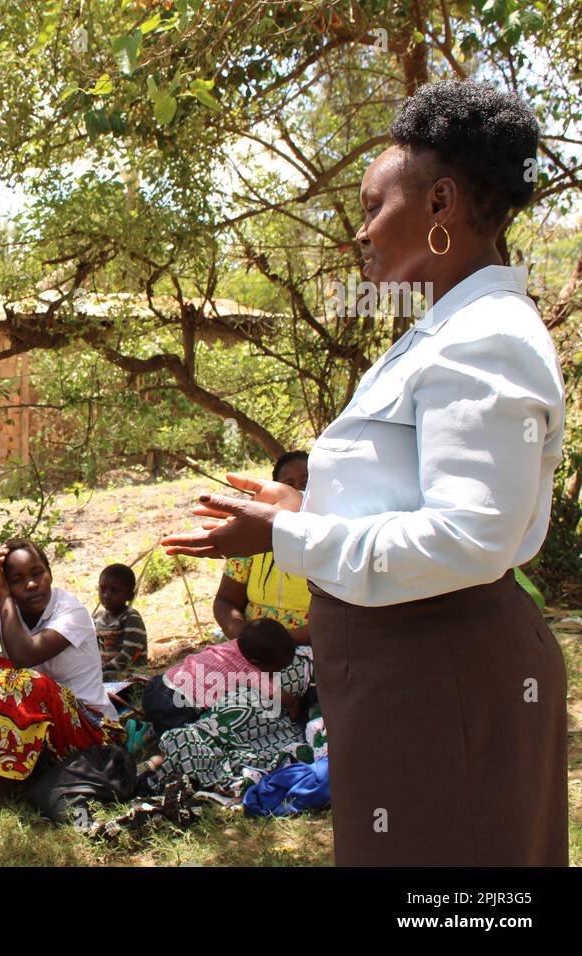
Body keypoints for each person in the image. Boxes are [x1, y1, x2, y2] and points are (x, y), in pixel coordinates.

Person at [162, 81, 567, 865]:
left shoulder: (485, 339)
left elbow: (469, 537)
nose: (360, 233)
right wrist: (310, 500)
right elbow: (415, 494)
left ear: (442, 202)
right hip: (405, 677)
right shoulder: (440, 331)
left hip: (443, 678)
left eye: (373, 207)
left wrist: (289, 534)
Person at [0, 539, 121, 840]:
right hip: (39, 726)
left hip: (90, 730)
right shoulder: (4, 608)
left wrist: (4, 596)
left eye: (37, 573)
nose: (31, 585)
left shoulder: (71, 611)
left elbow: (24, 655)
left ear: (50, 573)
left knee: (24, 679)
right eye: (16, 580)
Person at [213, 452, 313, 646]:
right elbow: (226, 601)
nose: (299, 492)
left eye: (306, 483)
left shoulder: (330, 543)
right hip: (251, 647)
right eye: (289, 485)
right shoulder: (252, 541)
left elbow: (338, 614)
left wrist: (280, 643)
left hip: (312, 650)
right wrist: (245, 636)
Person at [140, 617, 300, 737]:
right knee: (183, 737)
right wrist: (292, 704)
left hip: (158, 685)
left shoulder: (229, 646)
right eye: (274, 670)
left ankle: (145, 729)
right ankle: (157, 746)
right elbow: (274, 692)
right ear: (256, 662)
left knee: (161, 721)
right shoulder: (250, 669)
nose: (273, 675)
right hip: (178, 705)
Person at [93, 563, 148, 676]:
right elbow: (92, 650)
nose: (106, 595)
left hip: (131, 679)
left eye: (115, 591)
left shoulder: (131, 618)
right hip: (107, 676)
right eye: (103, 589)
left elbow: (128, 656)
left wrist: (101, 671)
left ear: (130, 596)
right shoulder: (97, 618)